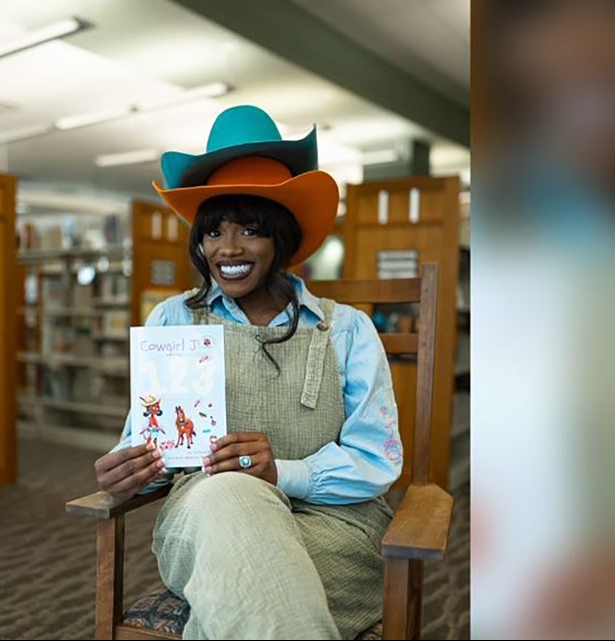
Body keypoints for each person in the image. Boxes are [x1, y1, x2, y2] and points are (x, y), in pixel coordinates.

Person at [92, 105, 401, 640]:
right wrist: (129, 468)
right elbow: (150, 440)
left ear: (282, 237)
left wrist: (283, 473)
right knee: (229, 494)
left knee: (241, 589)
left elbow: (377, 459)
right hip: (206, 515)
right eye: (213, 232)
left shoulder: (347, 330)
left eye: (250, 229)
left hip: (333, 530)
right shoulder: (173, 319)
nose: (228, 248)